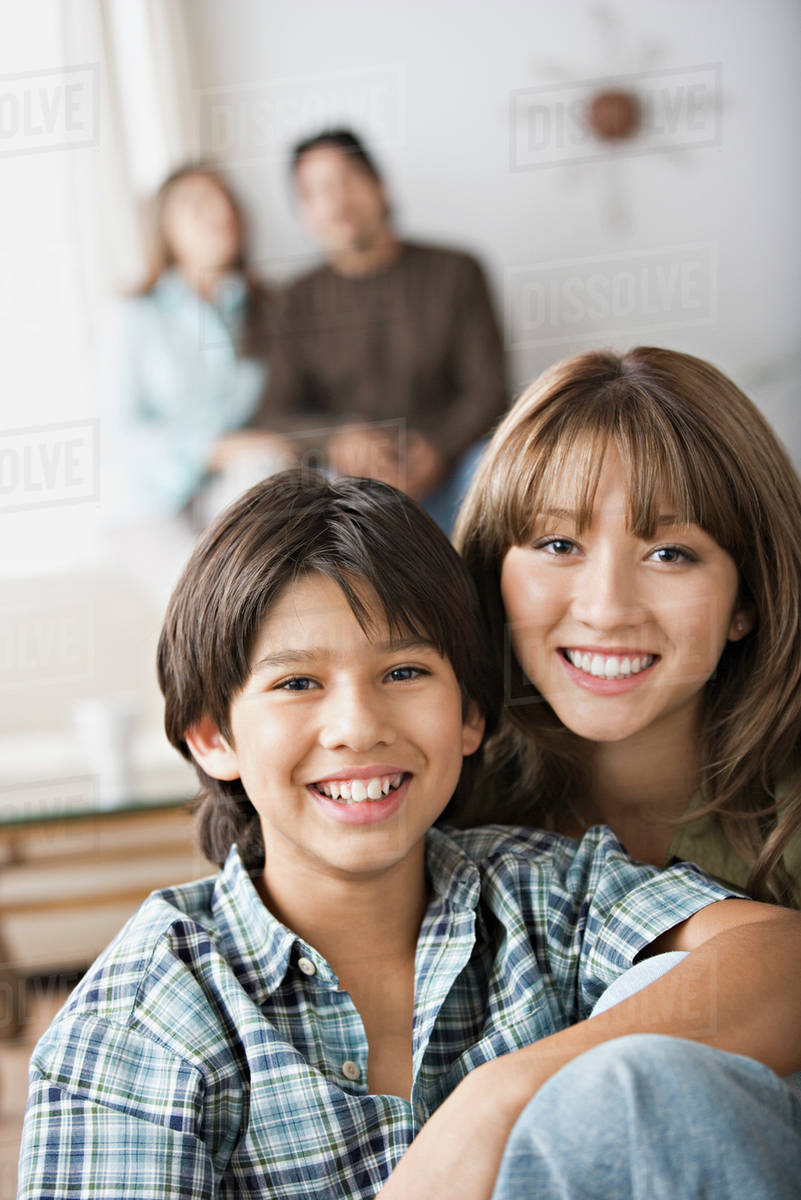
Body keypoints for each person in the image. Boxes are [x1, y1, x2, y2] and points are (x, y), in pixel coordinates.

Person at [17, 471, 801, 1200]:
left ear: (468, 716)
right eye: (297, 684)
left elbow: (780, 957)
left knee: (644, 1067)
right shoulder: (141, 1021)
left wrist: (496, 1100)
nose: (357, 728)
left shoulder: (545, 895)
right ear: (210, 735)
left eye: (403, 674)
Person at [454, 345, 801, 908]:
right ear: (493, 572)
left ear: (749, 599)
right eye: (559, 544)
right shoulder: (438, 798)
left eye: (669, 554)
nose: (607, 609)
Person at [266, 128, 507, 530]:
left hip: (450, 466)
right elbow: (275, 411)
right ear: (304, 213)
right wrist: (337, 438)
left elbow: (489, 390)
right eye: (317, 191)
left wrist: (437, 450)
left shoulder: (457, 271)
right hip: (346, 482)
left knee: (490, 468)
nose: (337, 200)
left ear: (381, 188)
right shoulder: (295, 300)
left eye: (347, 179)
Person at [104, 164, 294, 527]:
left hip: (246, 484)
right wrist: (215, 450)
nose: (221, 212)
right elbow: (124, 431)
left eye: (226, 200)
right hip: (162, 499)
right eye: (199, 203)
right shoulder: (135, 315)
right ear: (166, 229)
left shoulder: (266, 308)